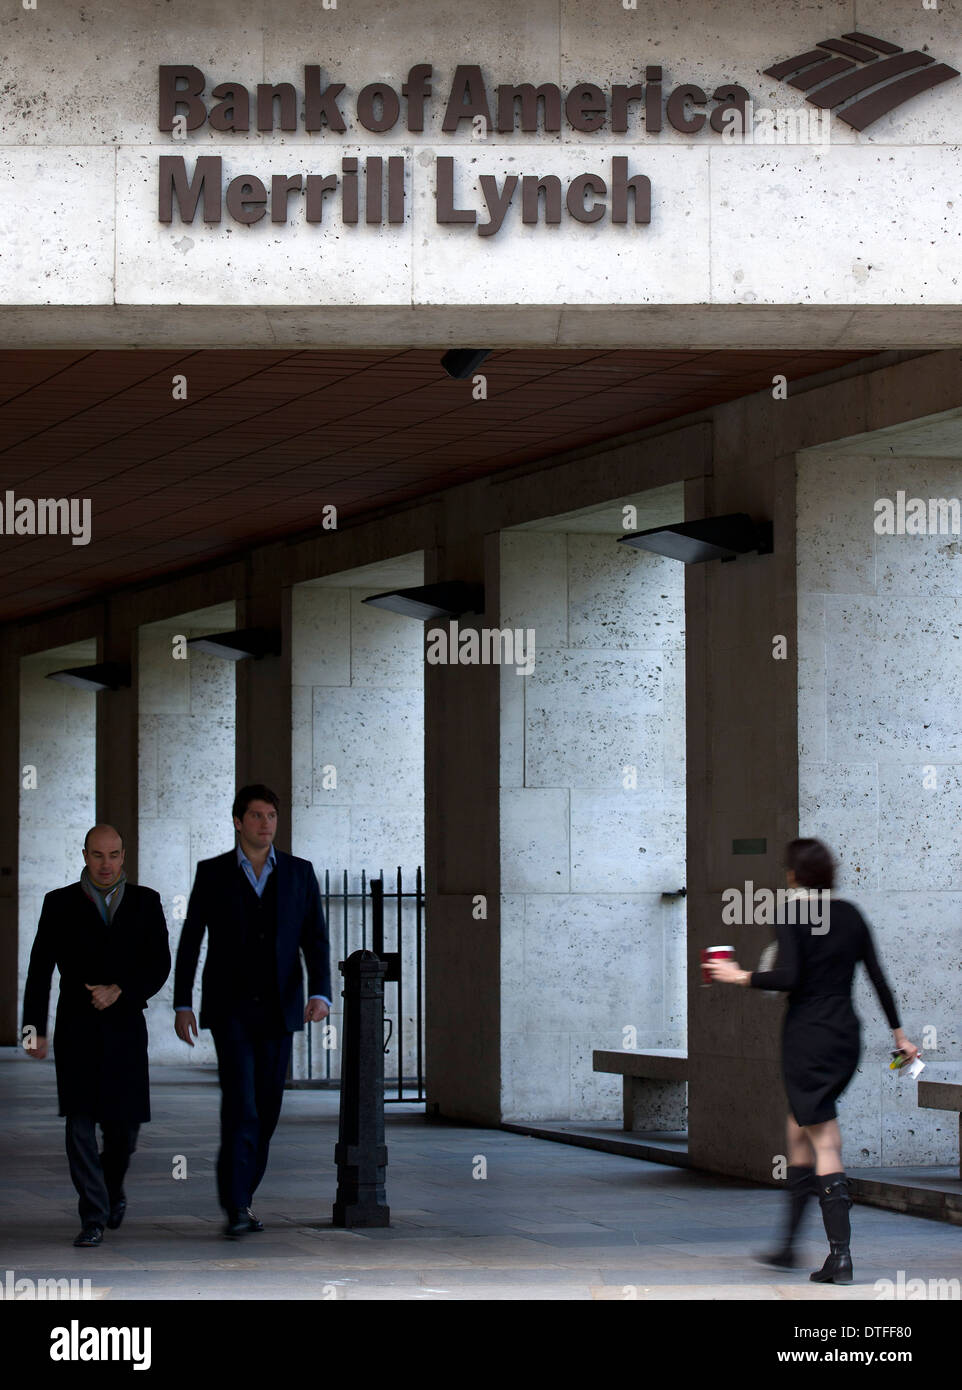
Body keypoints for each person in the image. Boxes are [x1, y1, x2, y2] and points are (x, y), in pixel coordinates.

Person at [707, 837, 917, 1284]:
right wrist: (899, 1034)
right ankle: (787, 1247)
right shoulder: (851, 914)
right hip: (845, 1035)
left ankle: (840, 1257)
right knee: (798, 1133)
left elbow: (789, 977)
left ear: (793, 875)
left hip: (808, 1039)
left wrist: (737, 975)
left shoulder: (791, 912)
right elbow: (877, 976)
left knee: (824, 1140)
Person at [173, 784, 332, 1238]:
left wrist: (321, 992)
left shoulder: (300, 873)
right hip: (231, 1010)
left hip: (281, 1010)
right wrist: (183, 1002)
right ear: (238, 822)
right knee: (240, 1106)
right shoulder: (214, 873)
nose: (266, 824)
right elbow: (191, 940)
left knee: (267, 1109)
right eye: (257, 816)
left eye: (271, 816)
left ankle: (244, 1194)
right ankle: (237, 1203)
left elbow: (314, 938)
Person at [21, 825, 171, 1247]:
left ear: (124, 857)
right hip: (77, 1030)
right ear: (85, 855)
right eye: (97, 855)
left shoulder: (146, 902)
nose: (106, 864)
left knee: (123, 1130)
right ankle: (93, 1215)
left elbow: (159, 963)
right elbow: (38, 971)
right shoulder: (59, 903)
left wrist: (121, 989)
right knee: (80, 1124)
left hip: (125, 1029)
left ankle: (111, 1188)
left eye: (113, 855)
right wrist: (34, 1030)